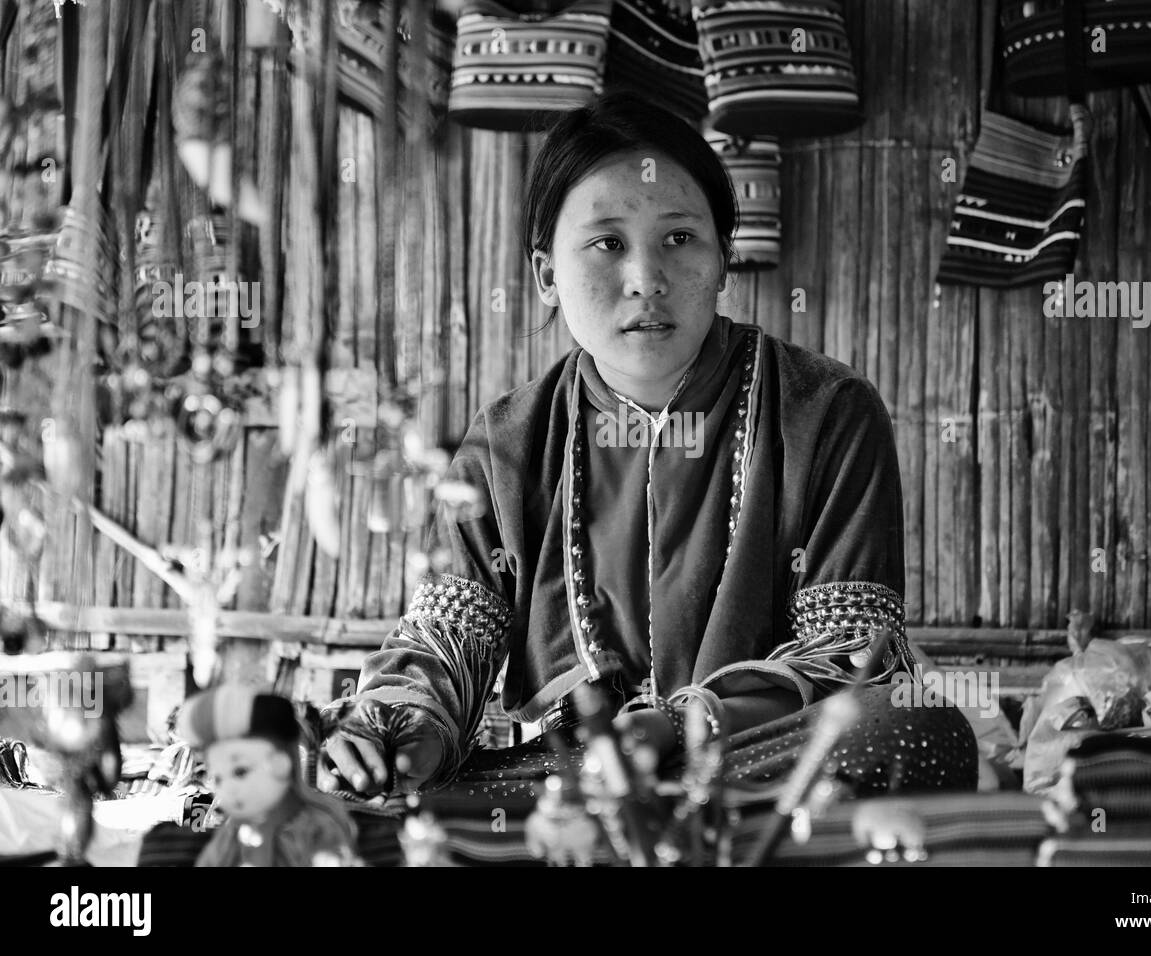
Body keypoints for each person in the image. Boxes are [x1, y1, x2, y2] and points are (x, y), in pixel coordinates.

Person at [319, 90, 977, 800]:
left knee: (913, 727)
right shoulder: (506, 446)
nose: (647, 279)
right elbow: (445, 641)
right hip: (572, 780)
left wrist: (687, 723)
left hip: (754, 765)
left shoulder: (826, 412)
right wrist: (399, 728)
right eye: (607, 243)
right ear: (546, 275)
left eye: (680, 238)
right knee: (359, 781)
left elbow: (855, 657)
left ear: (724, 260)